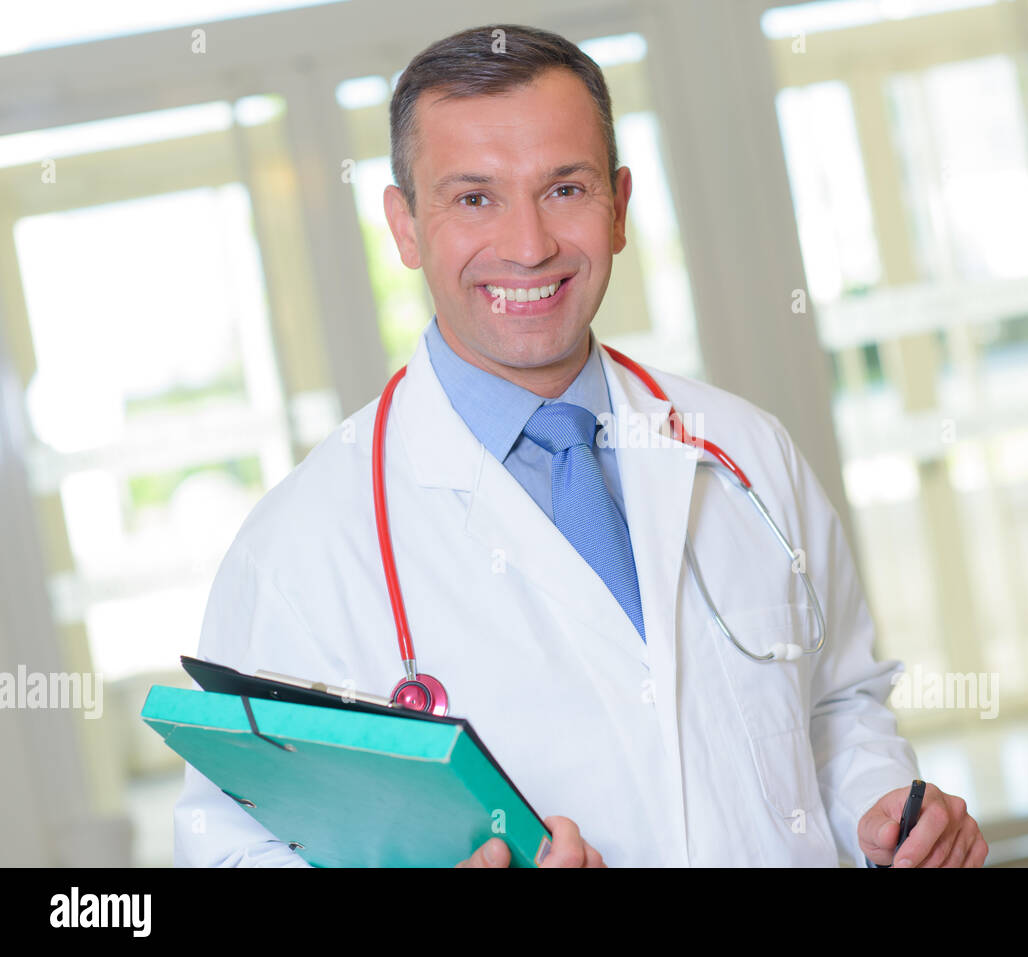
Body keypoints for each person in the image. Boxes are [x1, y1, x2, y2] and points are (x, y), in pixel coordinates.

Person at [173, 22, 987, 869]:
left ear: (620, 205)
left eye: (565, 189)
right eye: (474, 197)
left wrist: (887, 815)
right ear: (406, 225)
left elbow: (838, 703)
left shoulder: (743, 448)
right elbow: (235, 849)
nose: (529, 246)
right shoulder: (301, 545)